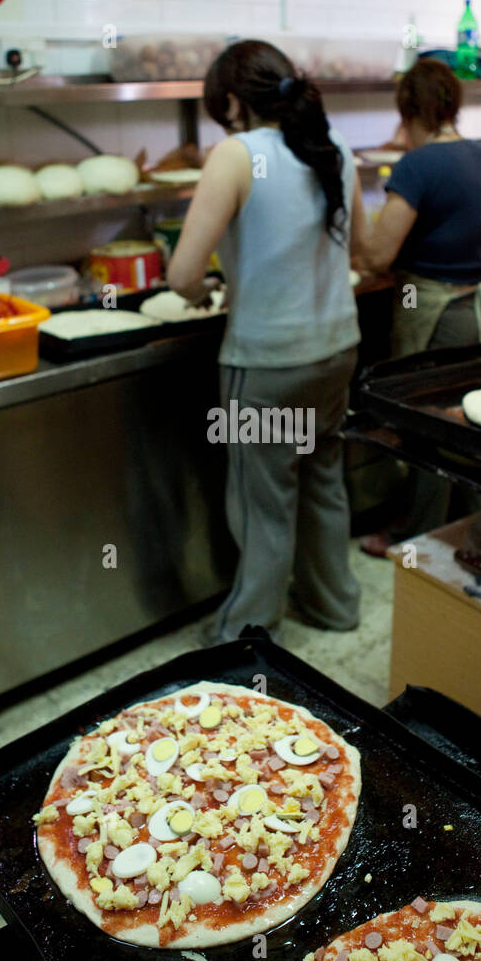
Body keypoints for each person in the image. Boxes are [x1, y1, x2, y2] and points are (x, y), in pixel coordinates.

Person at [166, 39, 365, 644]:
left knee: (262, 499)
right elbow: (355, 248)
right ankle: (335, 606)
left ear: (231, 101)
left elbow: (181, 275)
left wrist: (206, 290)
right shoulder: (336, 151)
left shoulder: (236, 155)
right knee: (322, 477)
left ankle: (245, 635)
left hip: (267, 362)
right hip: (336, 348)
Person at [354, 57, 481, 552]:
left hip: (439, 313)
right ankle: (467, 526)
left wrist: (357, 246)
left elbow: (379, 255)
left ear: (407, 110)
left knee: (428, 428)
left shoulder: (417, 165)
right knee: (468, 424)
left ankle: (414, 537)